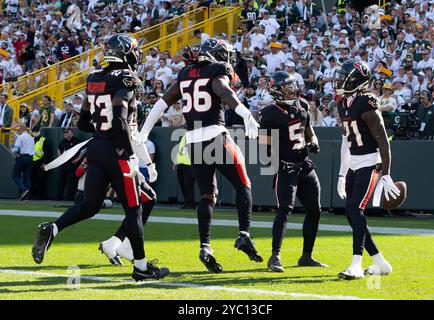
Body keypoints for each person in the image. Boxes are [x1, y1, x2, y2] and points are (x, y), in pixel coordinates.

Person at [31, 33, 168, 281]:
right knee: (135, 209)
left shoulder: (94, 78)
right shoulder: (126, 78)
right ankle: (141, 267)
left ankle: (53, 227)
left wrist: (106, 137)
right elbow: (119, 119)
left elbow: (83, 121)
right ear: (125, 53)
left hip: (97, 147)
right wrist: (128, 153)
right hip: (117, 150)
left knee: (91, 205)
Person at [137, 38, 263, 273]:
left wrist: (144, 131)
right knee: (243, 184)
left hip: (193, 141)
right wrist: (246, 114)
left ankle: (205, 246)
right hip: (215, 135)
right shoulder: (218, 70)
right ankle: (244, 234)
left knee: (207, 195)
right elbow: (222, 90)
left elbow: (162, 102)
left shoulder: (186, 73)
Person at [334, 60, 400, 280]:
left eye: (344, 76)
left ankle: (356, 264)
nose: (339, 79)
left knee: (355, 208)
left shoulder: (367, 101)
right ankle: (380, 262)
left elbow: (383, 140)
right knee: (351, 213)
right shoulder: (342, 103)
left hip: (370, 161)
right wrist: (342, 173)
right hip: (354, 162)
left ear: (355, 79)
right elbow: (346, 140)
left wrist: (386, 172)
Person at [259, 71, 326, 273]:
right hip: (286, 167)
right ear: (277, 91)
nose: (293, 92)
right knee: (284, 210)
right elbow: (263, 148)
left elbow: (310, 133)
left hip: (304, 165)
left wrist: (314, 143)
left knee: (315, 210)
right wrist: (280, 163)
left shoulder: (303, 105)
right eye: (288, 89)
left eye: (293, 88)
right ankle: (275, 256)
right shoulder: (269, 113)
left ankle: (306, 256)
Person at [11, 123, 35, 201]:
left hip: (22, 157)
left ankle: (24, 189)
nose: (18, 129)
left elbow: (16, 149)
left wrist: (12, 147)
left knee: (15, 175)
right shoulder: (31, 137)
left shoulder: (20, 137)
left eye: (19, 128)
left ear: (21, 129)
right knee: (27, 177)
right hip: (30, 158)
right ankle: (26, 197)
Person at [56, 128, 80, 201]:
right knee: (61, 180)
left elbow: (83, 150)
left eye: (67, 132)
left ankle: (69, 197)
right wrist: (60, 157)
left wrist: (78, 159)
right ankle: (58, 197)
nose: (65, 133)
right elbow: (58, 148)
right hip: (64, 163)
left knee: (71, 181)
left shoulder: (76, 140)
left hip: (72, 163)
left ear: (71, 132)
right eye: (64, 132)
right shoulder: (63, 141)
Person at [174, 134, 196, 209]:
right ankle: (186, 203)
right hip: (180, 164)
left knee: (188, 185)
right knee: (182, 184)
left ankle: (191, 204)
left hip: (190, 165)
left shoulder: (195, 137)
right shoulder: (184, 137)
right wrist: (175, 162)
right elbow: (180, 150)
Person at [30, 126, 49, 200]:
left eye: (36, 130)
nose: (35, 132)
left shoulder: (44, 140)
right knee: (32, 179)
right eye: (34, 131)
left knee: (40, 180)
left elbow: (47, 153)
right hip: (32, 161)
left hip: (40, 162)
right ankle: (32, 195)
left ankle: (39, 196)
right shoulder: (31, 140)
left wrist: (44, 162)